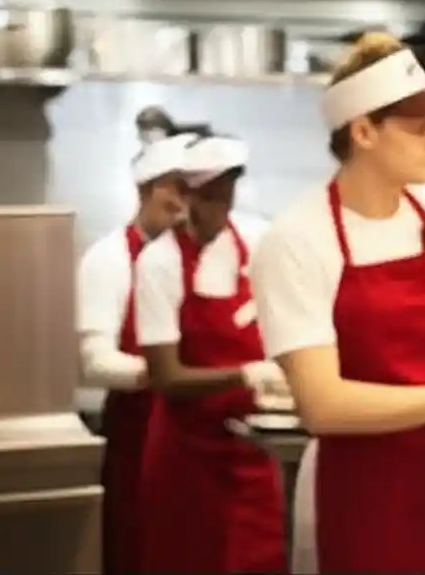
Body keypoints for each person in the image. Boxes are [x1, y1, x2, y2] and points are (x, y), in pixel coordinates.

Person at [250, 33, 425, 573]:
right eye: (419, 126)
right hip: (367, 494)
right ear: (363, 131)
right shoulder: (297, 239)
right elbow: (323, 405)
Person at [134, 133, 288, 573]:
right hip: (186, 458)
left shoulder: (255, 241)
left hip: (252, 450)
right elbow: (166, 376)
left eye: (225, 195)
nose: (218, 209)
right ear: (185, 195)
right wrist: (245, 375)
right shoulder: (159, 263)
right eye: (207, 197)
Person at [77, 131, 193, 575]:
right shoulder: (109, 258)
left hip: (193, 442)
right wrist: (170, 373)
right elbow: (96, 362)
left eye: (190, 189)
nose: (182, 201)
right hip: (138, 438)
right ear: (145, 188)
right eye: (172, 187)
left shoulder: (200, 259)